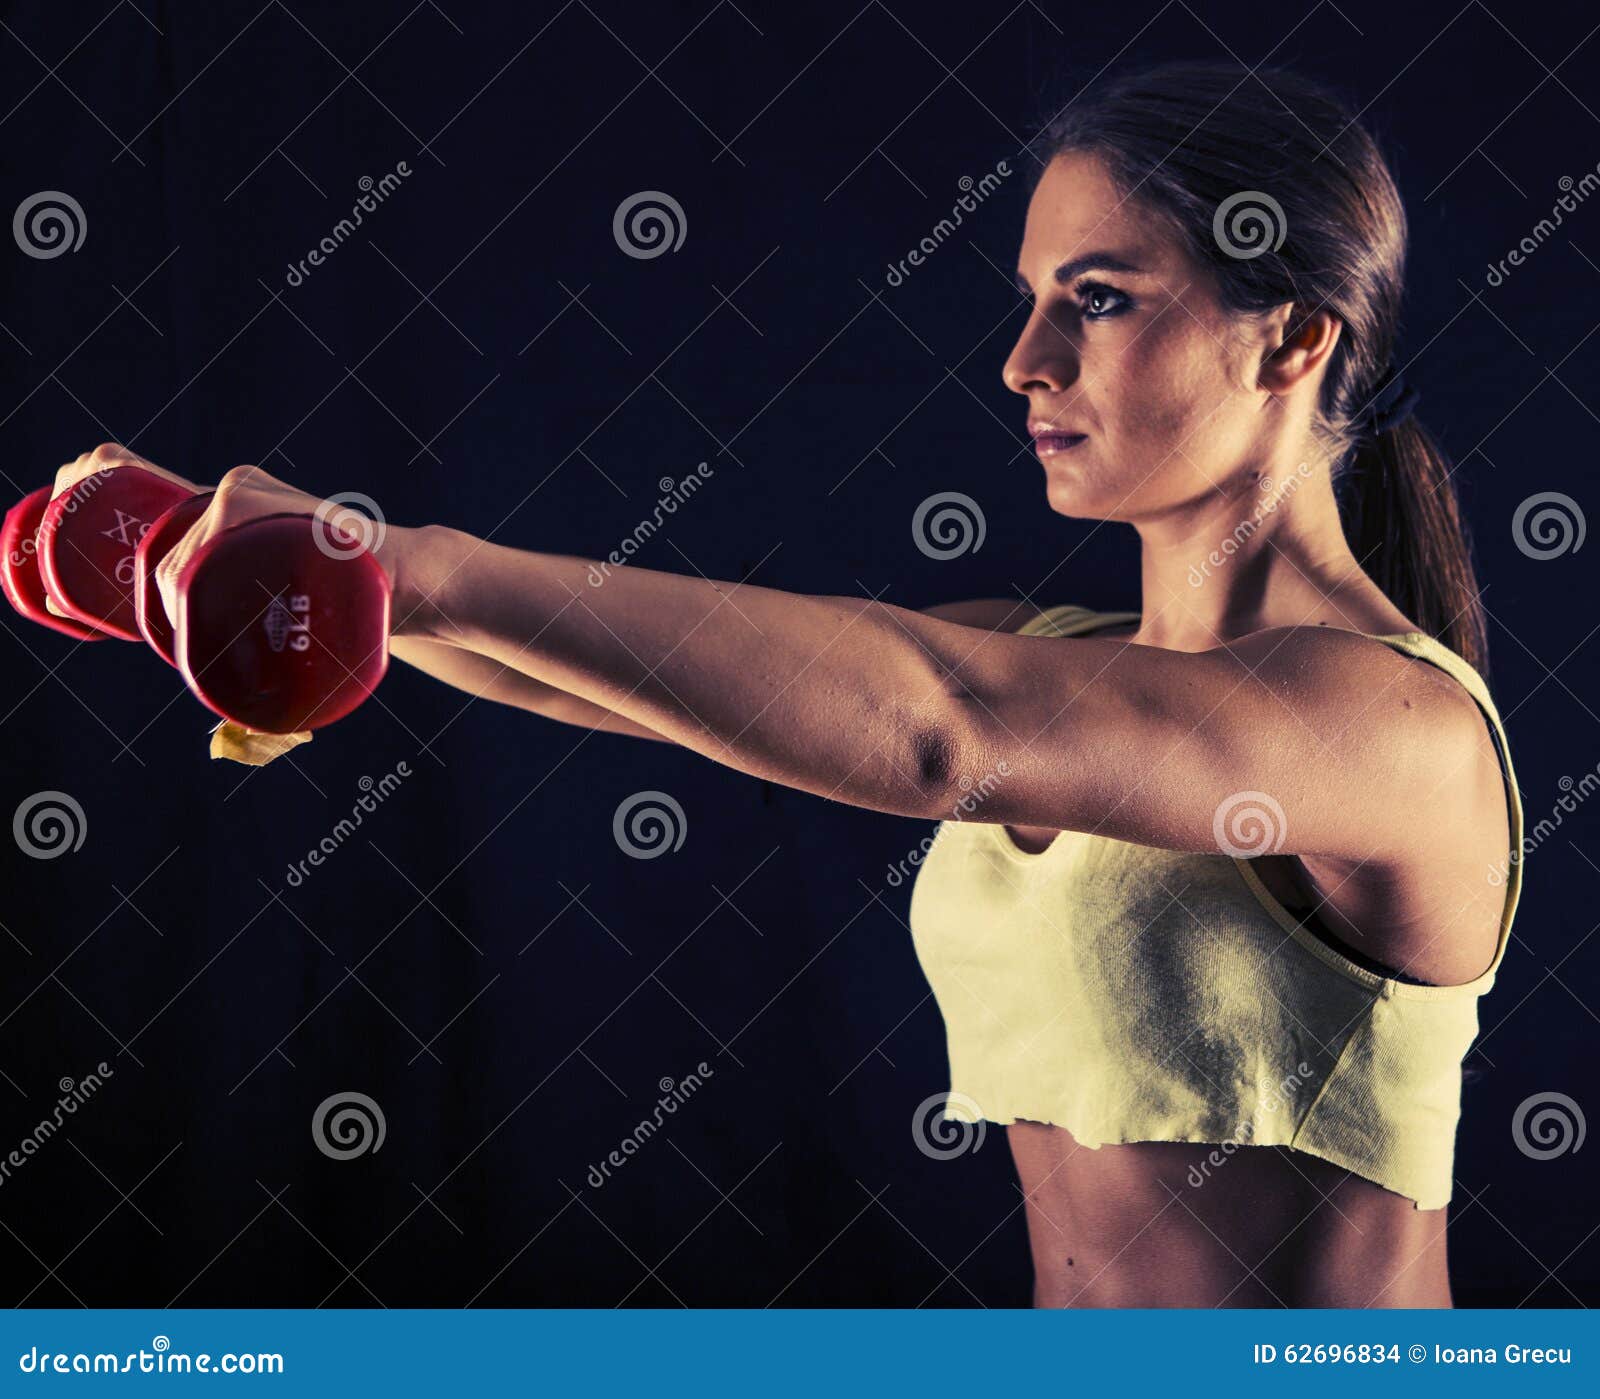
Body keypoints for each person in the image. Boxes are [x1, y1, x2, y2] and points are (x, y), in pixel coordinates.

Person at [60, 60, 1522, 1309]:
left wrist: (421, 561)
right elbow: (608, 688)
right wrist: (259, 551)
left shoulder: (1395, 727)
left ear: (1292, 333)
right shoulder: (1053, 653)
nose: (1025, 361)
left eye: (1099, 298)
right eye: (1031, 300)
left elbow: (949, 731)